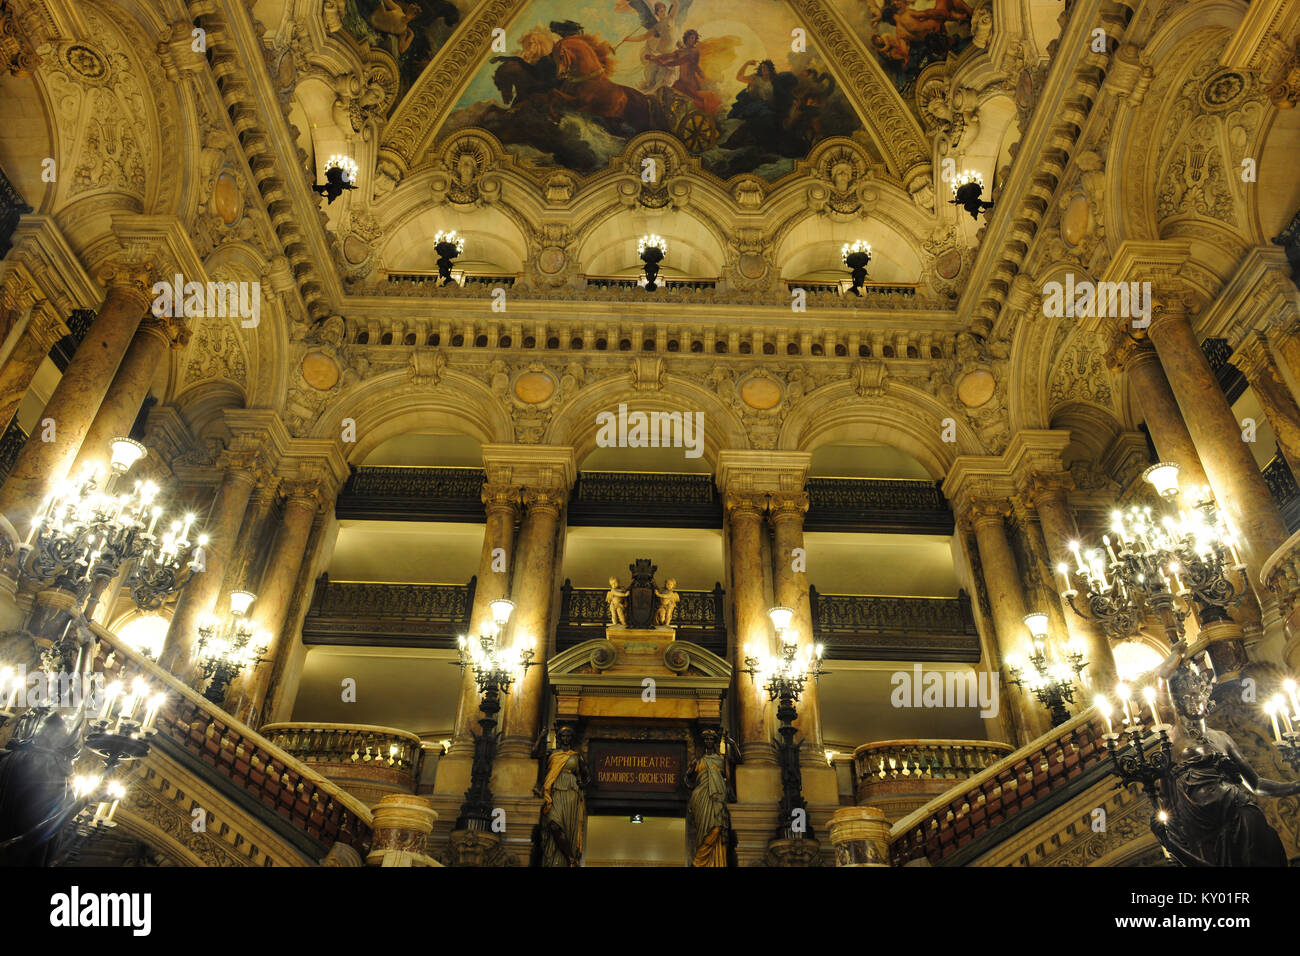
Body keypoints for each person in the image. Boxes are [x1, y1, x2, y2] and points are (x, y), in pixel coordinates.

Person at [1149, 642, 1300, 866]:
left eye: (1196, 695)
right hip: (1201, 821)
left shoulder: (1222, 737)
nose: (1192, 701)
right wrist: (1176, 655)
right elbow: (1160, 678)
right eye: (1185, 698)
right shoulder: (1174, 735)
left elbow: (1256, 784)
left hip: (1239, 809)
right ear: (1177, 703)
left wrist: (1295, 786)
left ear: (1206, 697)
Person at [538, 726, 589, 866]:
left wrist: (582, 783)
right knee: (554, 824)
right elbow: (534, 754)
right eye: (563, 736)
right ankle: (571, 858)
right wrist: (541, 737)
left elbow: (586, 776)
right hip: (554, 789)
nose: (566, 739)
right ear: (559, 738)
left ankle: (568, 860)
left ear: (571, 738)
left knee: (567, 827)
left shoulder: (576, 756)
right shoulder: (552, 754)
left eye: (568, 736)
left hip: (571, 792)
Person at [685, 728, 731, 866]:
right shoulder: (698, 761)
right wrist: (689, 771)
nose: (709, 741)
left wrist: (732, 744)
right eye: (706, 739)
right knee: (702, 830)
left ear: (715, 741)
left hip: (717, 797)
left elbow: (729, 777)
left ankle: (699, 861)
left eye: (711, 739)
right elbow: (688, 781)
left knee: (717, 826)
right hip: (701, 796)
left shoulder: (721, 760)